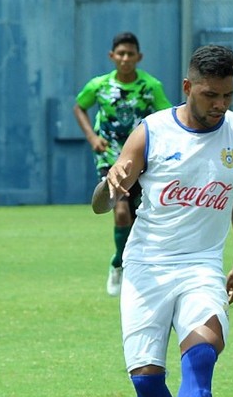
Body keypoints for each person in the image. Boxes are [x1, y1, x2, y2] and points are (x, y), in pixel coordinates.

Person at [92, 44, 233, 397]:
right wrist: (113, 182)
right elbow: (100, 204)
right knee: (146, 378)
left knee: (202, 354)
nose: (220, 105)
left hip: (202, 264)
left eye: (227, 95)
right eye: (210, 95)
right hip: (146, 266)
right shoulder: (151, 133)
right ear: (188, 88)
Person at [74, 32, 172, 296]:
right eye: (121, 54)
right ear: (112, 56)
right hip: (110, 157)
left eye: (131, 54)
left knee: (140, 213)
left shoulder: (151, 86)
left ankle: (134, 262)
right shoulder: (100, 85)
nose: (125, 59)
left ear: (138, 57)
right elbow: (79, 107)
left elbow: (167, 116)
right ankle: (119, 264)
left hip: (140, 157)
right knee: (119, 211)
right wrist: (92, 137)